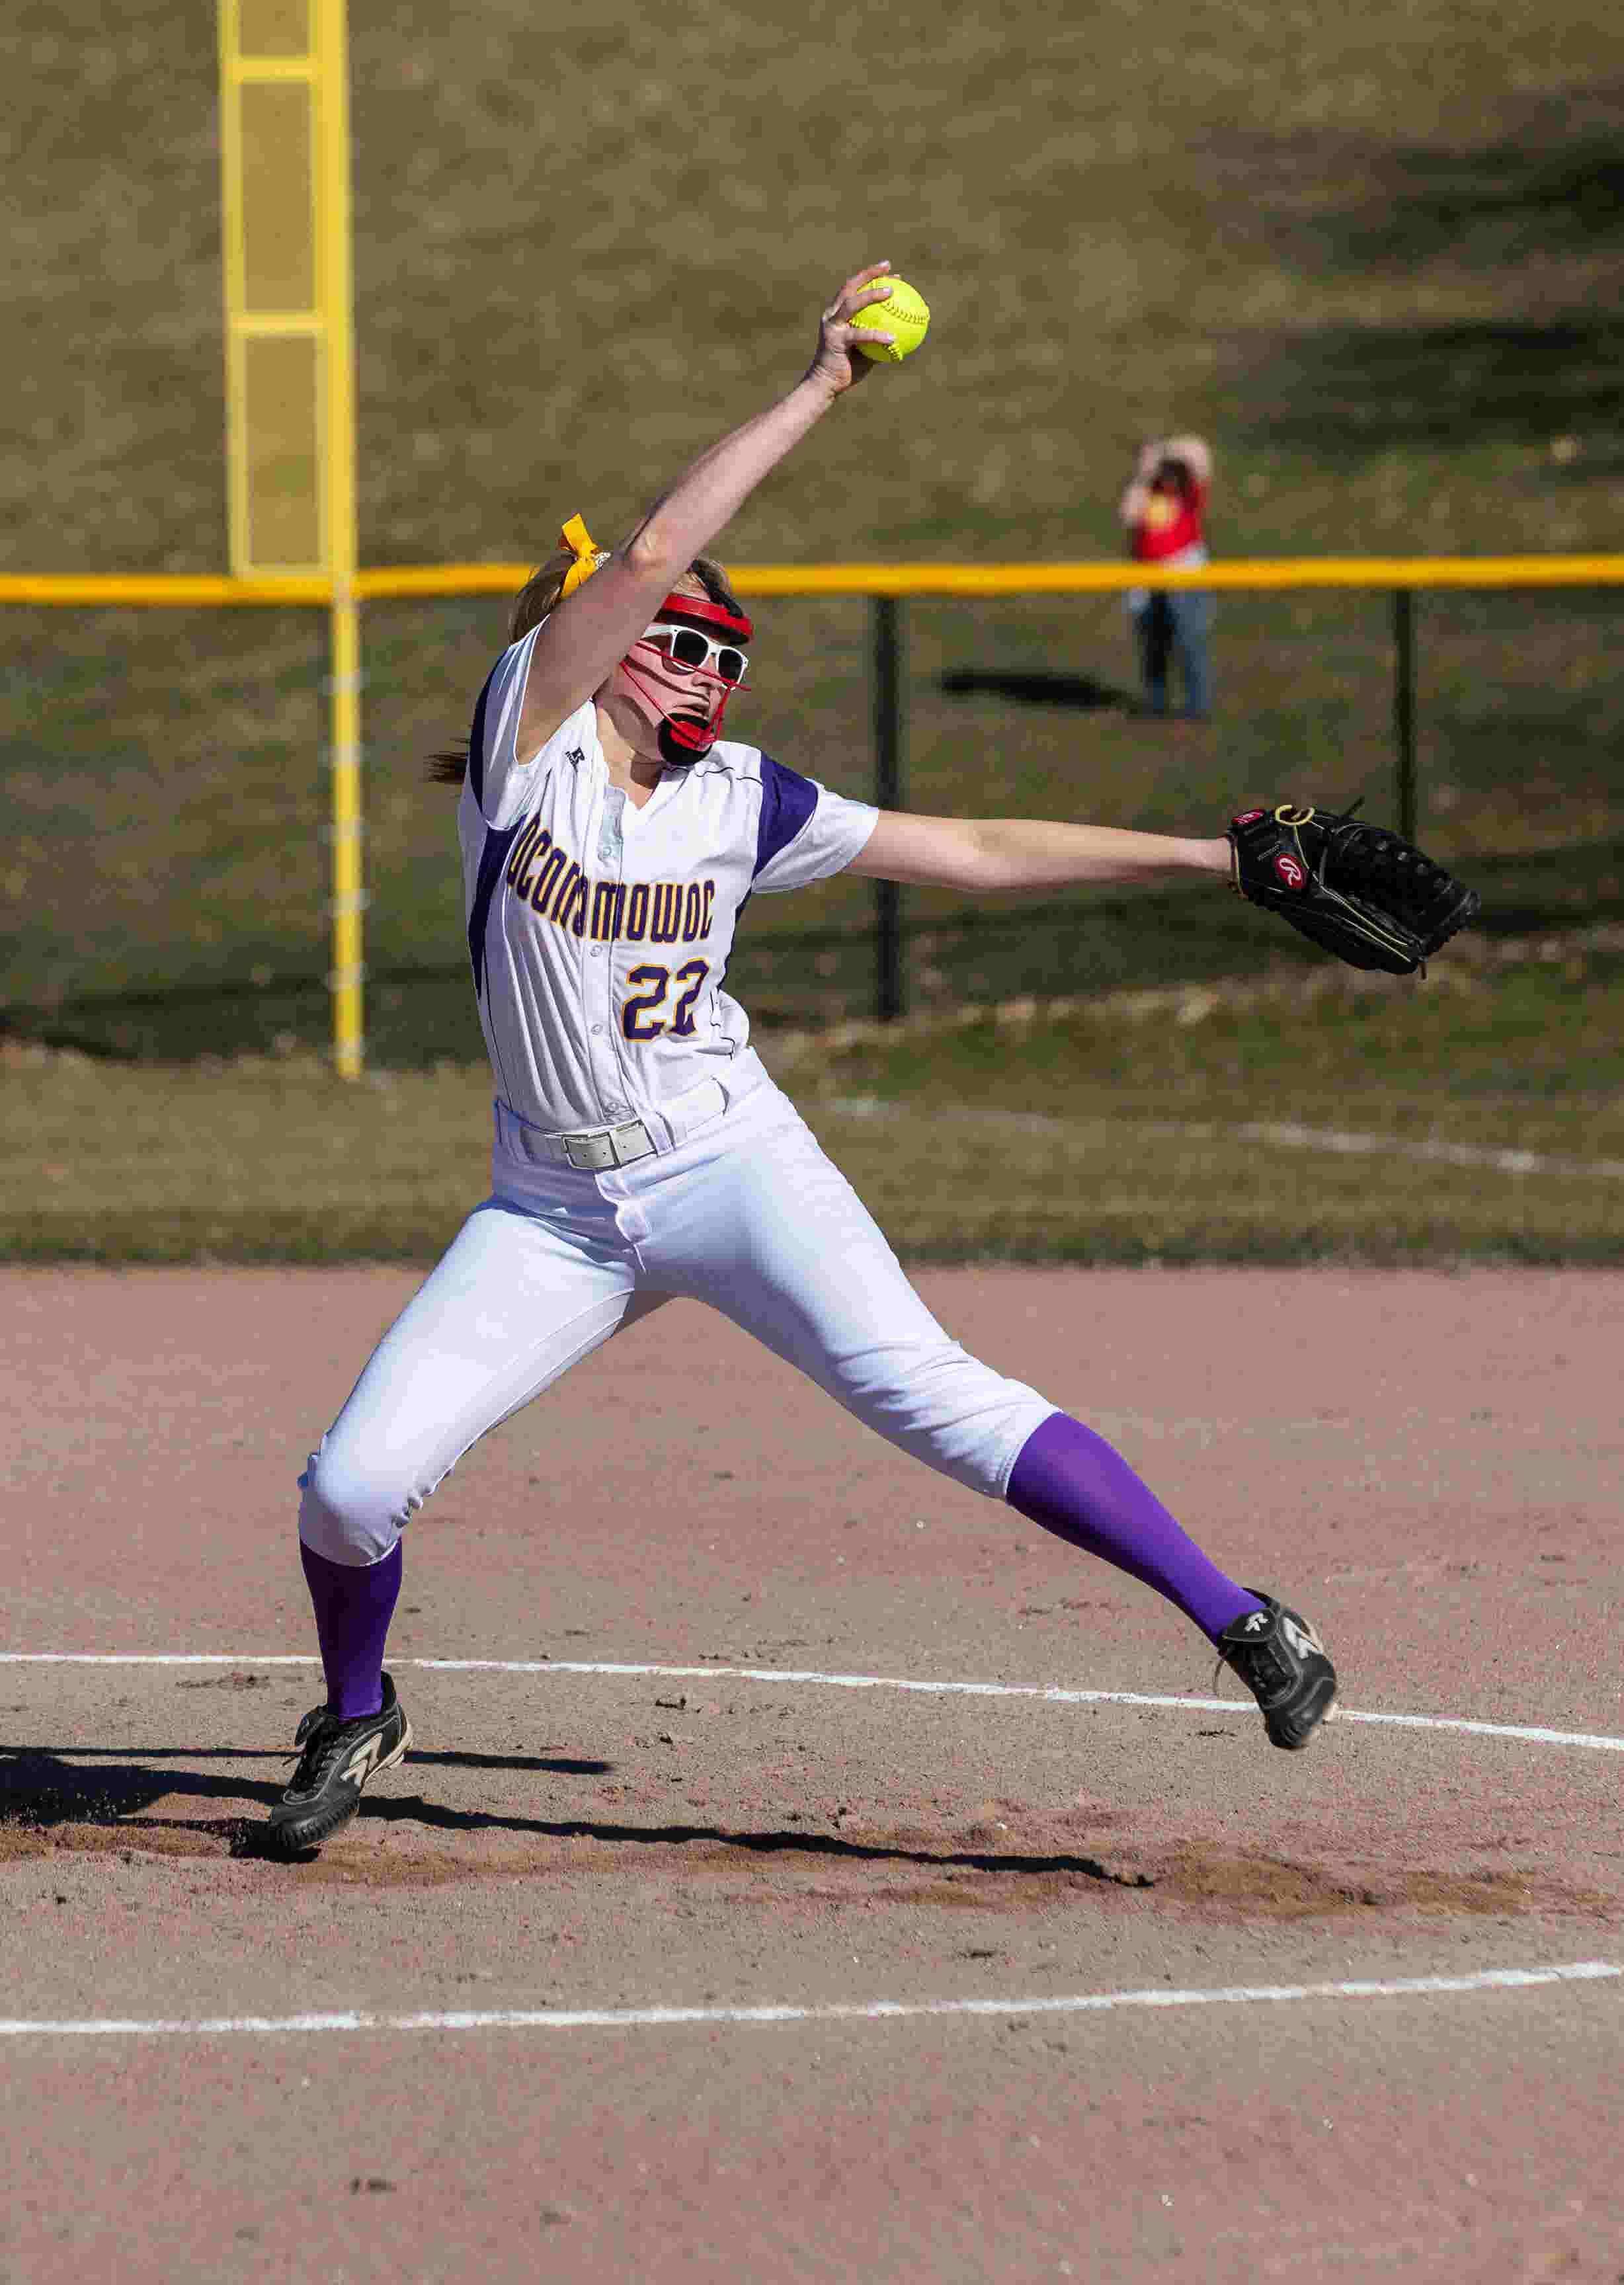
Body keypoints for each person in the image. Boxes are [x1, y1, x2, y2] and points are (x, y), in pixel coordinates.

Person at [267, 265, 1334, 1857]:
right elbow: (649, 552)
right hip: (552, 1211)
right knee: (351, 1487)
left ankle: (1244, 1618)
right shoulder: (525, 750)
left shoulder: (742, 800)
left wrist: (1208, 857)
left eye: (730, 655)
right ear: (599, 647)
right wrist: (823, 385)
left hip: (727, 1161)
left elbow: (969, 847)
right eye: (685, 643)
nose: (709, 668)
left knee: (937, 1399)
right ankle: (355, 1712)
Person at [1119, 434, 1213, 719]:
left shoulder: (1186, 486)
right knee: (1152, 641)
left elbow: (1199, 451)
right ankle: (1156, 703)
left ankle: (1197, 705)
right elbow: (1128, 516)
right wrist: (1143, 476)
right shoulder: (1142, 489)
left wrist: (1161, 451)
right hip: (1146, 572)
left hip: (1183, 568)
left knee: (1189, 638)